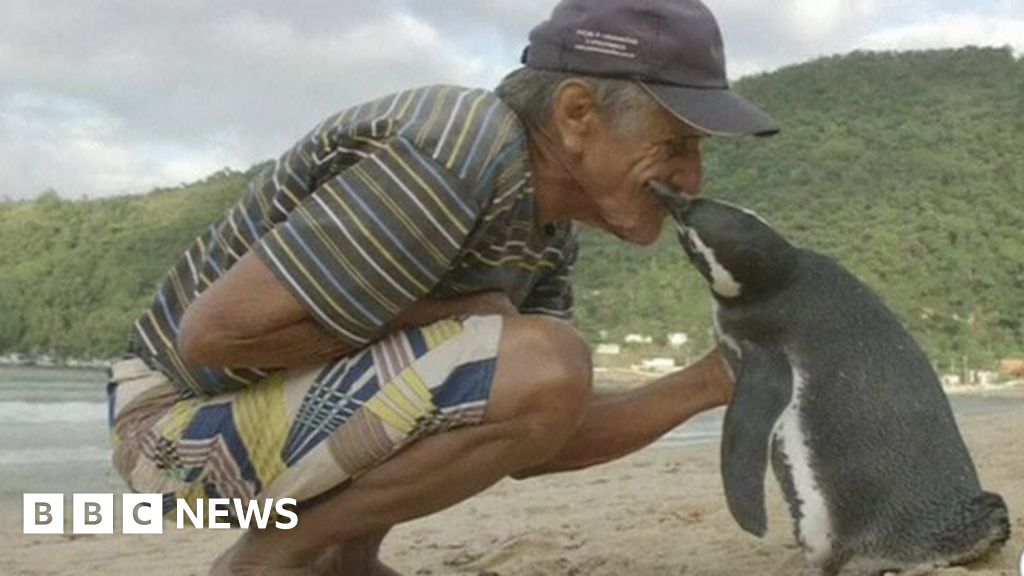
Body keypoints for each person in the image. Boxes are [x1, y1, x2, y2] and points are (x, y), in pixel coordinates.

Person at [106, 0, 778, 574]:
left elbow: (540, 433)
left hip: (242, 425)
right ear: (577, 114)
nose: (692, 179)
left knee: (546, 362)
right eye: (677, 145)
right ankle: (270, 561)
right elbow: (214, 336)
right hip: (169, 430)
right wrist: (459, 312)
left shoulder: (541, 228)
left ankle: (342, 559)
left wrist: (712, 381)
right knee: (546, 357)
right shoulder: (457, 146)